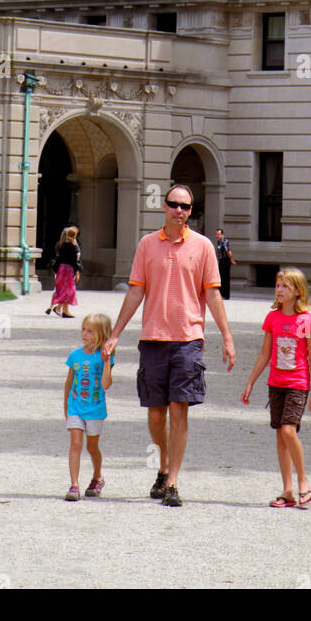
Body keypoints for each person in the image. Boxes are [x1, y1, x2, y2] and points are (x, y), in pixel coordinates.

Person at [103, 183, 235, 507]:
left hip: (189, 339)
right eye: (174, 204)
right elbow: (135, 292)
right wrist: (116, 332)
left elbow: (213, 295)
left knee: (179, 408)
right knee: (155, 414)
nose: (180, 210)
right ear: (164, 206)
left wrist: (227, 338)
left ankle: (173, 480)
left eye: (186, 206)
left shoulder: (203, 247)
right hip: (153, 337)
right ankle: (163, 465)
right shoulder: (147, 245)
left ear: (191, 211)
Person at [242, 268, 311, 507]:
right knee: (280, 434)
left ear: (298, 291)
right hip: (275, 384)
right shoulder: (272, 318)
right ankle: (287, 491)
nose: (279, 290)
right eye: (278, 285)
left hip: (298, 383)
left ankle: (303, 481)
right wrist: (250, 382)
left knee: (289, 431)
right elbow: (265, 353)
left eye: (285, 286)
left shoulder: (306, 320)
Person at [62, 312, 114, 501]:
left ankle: (97, 477)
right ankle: (74, 485)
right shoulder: (75, 355)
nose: (85, 334)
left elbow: (106, 384)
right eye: (83, 329)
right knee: (75, 444)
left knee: (92, 448)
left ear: (101, 334)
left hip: (95, 410)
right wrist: (66, 404)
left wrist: (107, 362)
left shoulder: (103, 357)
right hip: (76, 407)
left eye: (90, 331)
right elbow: (68, 382)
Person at [48, 225, 81, 319]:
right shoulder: (73, 247)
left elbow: (59, 259)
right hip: (68, 270)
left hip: (62, 270)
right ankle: (59, 308)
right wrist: (77, 272)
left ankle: (65, 311)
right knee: (69, 290)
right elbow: (74, 262)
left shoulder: (63, 246)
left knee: (64, 290)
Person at [214, 228, 236, 300]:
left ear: (222, 234)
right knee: (221, 278)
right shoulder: (219, 241)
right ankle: (222, 294)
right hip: (221, 261)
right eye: (216, 234)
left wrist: (231, 259)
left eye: (219, 234)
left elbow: (228, 251)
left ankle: (225, 295)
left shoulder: (224, 241)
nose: (217, 236)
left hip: (225, 261)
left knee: (225, 278)